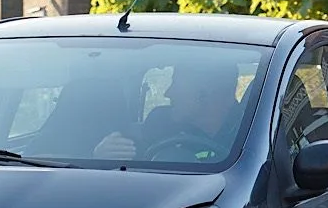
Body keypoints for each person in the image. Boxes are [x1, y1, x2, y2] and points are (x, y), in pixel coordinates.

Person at [92, 56, 246, 161]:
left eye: (176, 84)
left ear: (204, 95)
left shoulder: (252, 137)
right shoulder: (160, 122)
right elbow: (132, 157)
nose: (168, 93)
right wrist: (101, 156)